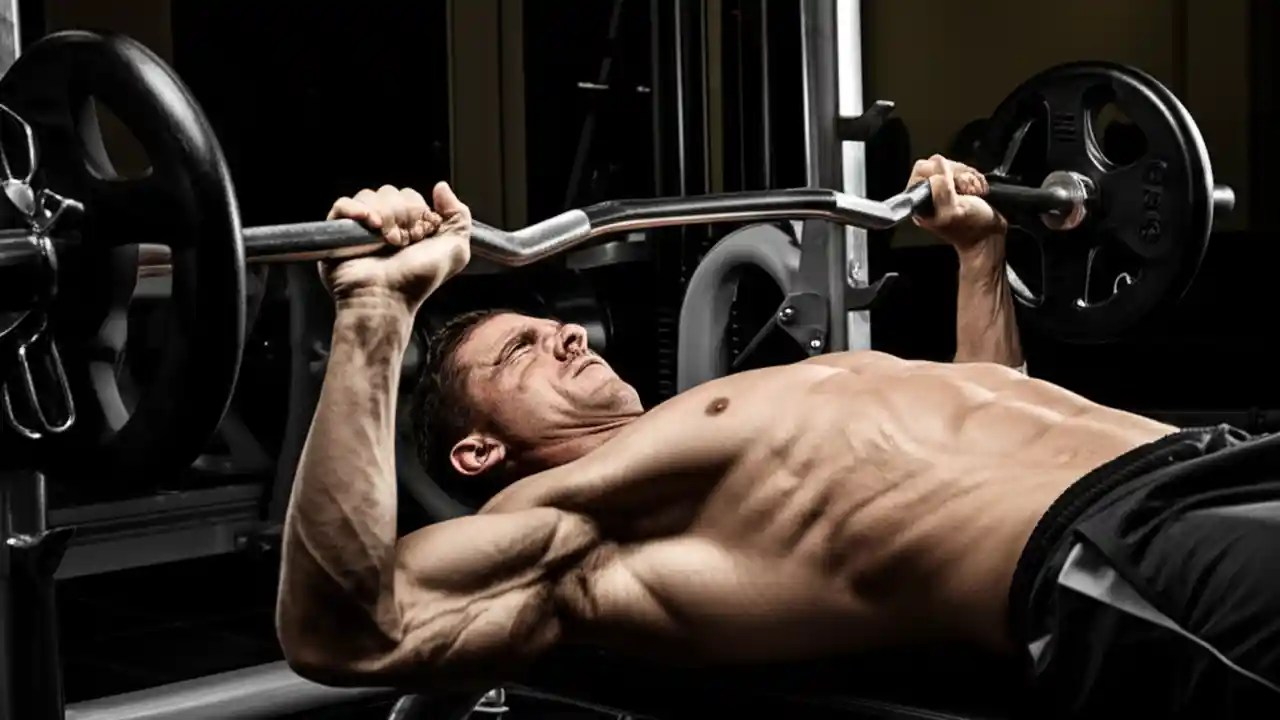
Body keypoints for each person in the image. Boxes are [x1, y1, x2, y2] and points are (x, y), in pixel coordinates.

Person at [275, 156, 1280, 718]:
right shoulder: (573, 532)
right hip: (1122, 556)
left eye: (553, 325)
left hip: (1207, 461)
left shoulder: (713, 418)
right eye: (521, 353)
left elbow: (982, 399)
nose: (567, 334)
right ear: (478, 452)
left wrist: (979, 252)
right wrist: (375, 310)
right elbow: (344, 630)